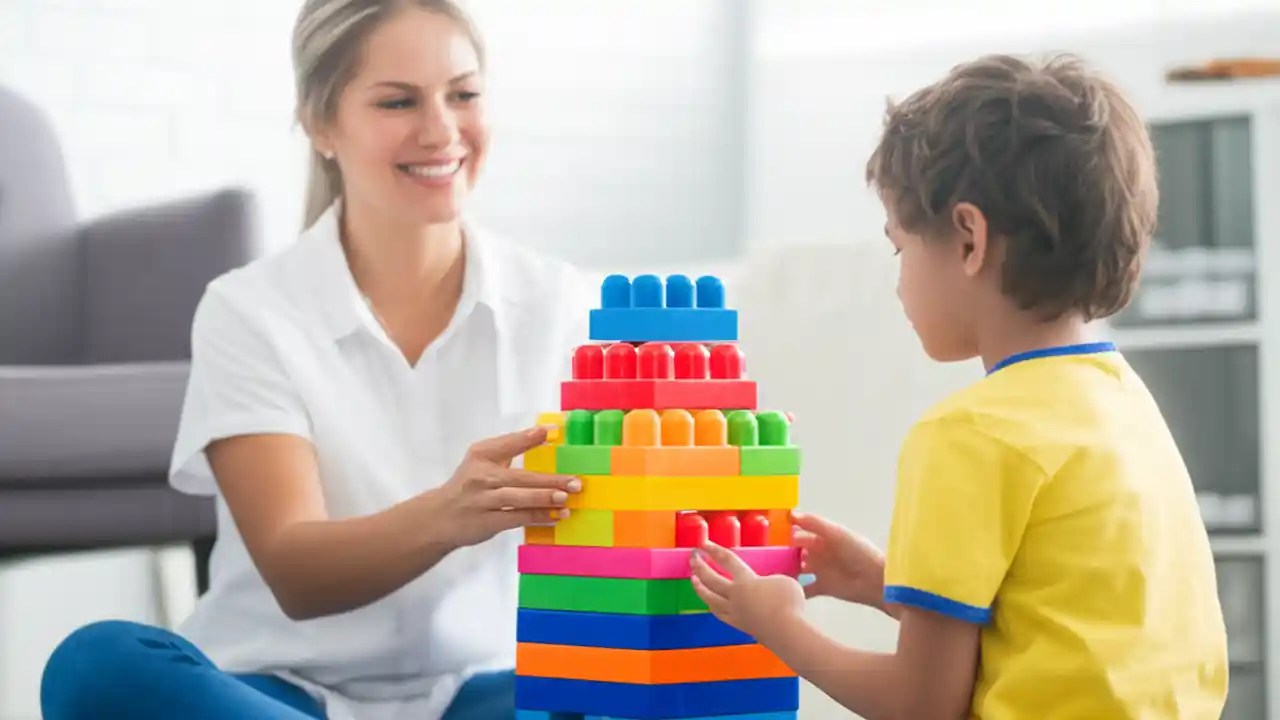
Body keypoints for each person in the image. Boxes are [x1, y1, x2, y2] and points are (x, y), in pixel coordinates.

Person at [40, 2, 591, 718]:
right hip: (274, 691)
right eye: (398, 101)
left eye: (464, 94)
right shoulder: (250, 311)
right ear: (319, 123)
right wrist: (446, 516)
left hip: (483, 692)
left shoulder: (561, 303)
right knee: (97, 666)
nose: (441, 130)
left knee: (640, 690)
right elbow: (297, 572)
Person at [690, 53, 1230, 718]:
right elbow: (1058, 622)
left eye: (900, 247)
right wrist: (880, 583)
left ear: (969, 238)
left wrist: (777, 624)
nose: (898, 280)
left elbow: (920, 704)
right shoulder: (1122, 402)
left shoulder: (968, 434)